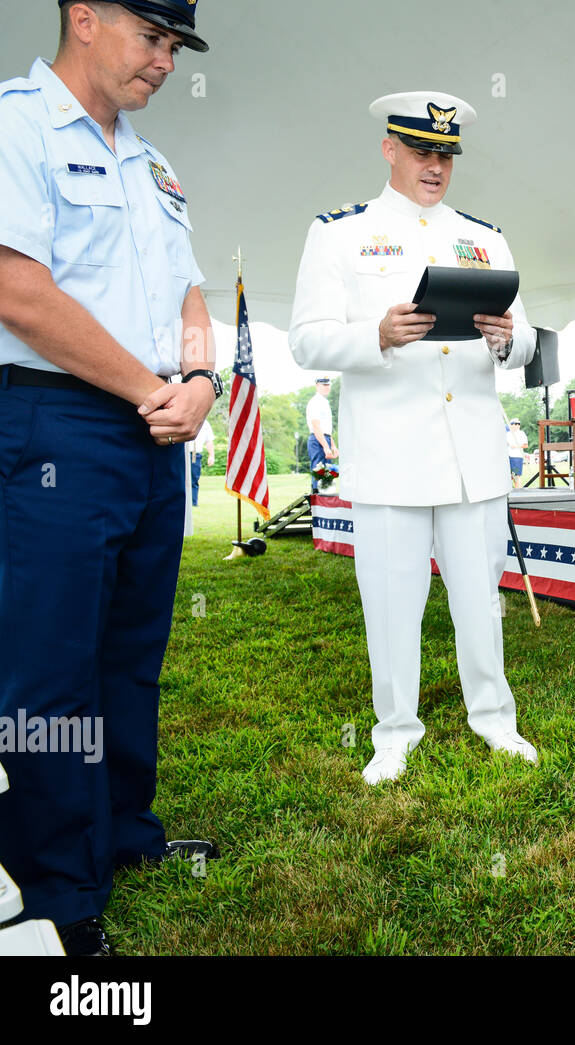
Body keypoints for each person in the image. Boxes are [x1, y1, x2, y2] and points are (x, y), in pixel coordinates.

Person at [0, 0, 220, 956]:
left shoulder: (154, 162)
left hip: (155, 426)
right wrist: (148, 385)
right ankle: (57, 882)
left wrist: (203, 378)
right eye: (153, 38)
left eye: (176, 46)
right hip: (59, 419)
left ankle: (123, 834)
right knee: (53, 670)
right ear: (83, 17)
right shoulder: (17, 124)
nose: (166, 61)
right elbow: (17, 287)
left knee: (132, 651)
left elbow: (189, 289)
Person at [289, 90, 539, 784]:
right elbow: (304, 339)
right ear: (388, 149)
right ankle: (395, 732)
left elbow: (528, 342)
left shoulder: (485, 236)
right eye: (423, 150)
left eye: (447, 153)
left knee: (480, 601)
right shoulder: (339, 232)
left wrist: (508, 337)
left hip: (473, 458)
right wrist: (374, 335)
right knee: (393, 606)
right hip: (392, 457)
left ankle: (495, 719)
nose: (436, 165)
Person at [306, 375, 338, 492]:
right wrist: (325, 446)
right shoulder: (315, 402)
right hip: (318, 438)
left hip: (325, 438)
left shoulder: (324, 402)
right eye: (324, 385)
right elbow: (316, 426)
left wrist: (332, 445)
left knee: (326, 471)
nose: (327, 387)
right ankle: (317, 497)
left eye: (328, 385)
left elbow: (326, 428)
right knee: (319, 469)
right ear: (317, 386)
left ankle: (325, 495)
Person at [187, 415, 215, 505]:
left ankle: (193, 502)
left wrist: (211, 455)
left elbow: (209, 441)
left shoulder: (205, 424)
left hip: (195, 454)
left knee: (194, 479)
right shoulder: (184, 418)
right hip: (183, 454)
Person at [506, 417, 528, 488]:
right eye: (515, 423)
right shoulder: (508, 434)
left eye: (518, 424)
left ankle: (518, 490)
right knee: (510, 476)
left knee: (516, 475)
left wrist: (516, 446)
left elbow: (525, 445)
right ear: (511, 425)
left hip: (516, 458)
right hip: (508, 457)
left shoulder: (521, 433)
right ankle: (513, 489)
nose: (517, 425)